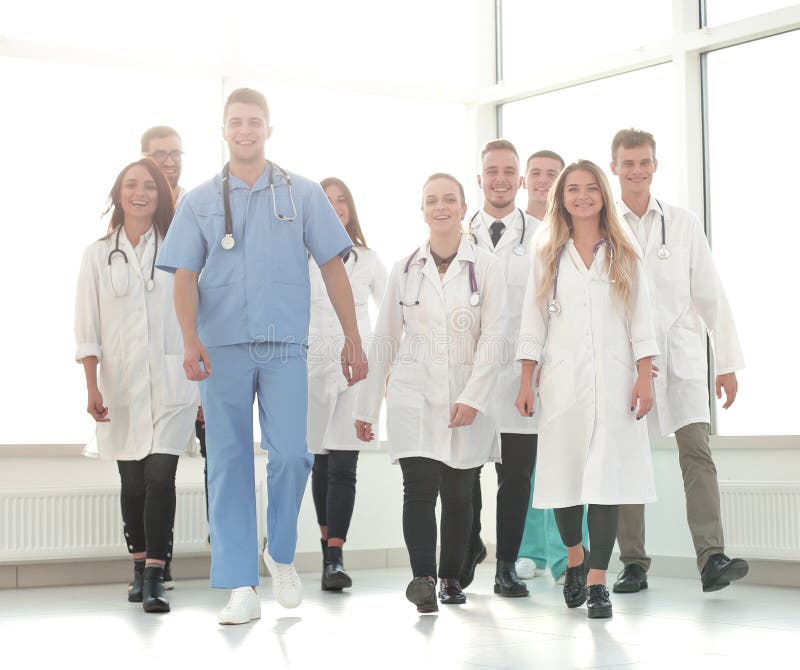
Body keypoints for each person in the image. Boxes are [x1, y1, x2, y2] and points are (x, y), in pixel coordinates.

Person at [156, 88, 367, 625]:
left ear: (269, 129)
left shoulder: (303, 193)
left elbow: (334, 267)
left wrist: (353, 337)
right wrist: (189, 338)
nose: (245, 130)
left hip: (282, 343)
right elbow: (184, 274)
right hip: (221, 344)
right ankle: (240, 586)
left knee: (293, 455)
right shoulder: (200, 199)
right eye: (235, 122)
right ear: (223, 130)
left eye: (254, 122)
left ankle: (280, 552)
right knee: (225, 464)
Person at [354, 173, 506, 613]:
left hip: (465, 394)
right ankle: (422, 578)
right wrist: (367, 407)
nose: (440, 207)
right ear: (422, 210)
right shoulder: (404, 268)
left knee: (459, 494)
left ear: (463, 208)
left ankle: (451, 577)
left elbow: (495, 338)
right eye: (431, 200)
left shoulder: (486, 267)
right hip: (412, 395)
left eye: (449, 200)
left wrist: (474, 398)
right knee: (418, 490)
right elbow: (383, 340)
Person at [515, 159, 658, 619]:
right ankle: (574, 556)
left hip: (615, 381)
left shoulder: (623, 248)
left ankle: (597, 581)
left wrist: (644, 373)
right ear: (561, 197)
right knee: (564, 479)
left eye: (591, 188)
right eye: (572, 189)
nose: (582, 196)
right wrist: (526, 377)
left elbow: (641, 315)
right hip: (563, 381)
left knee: (606, 482)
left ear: (603, 195)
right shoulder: (547, 251)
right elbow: (532, 318)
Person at [609, 128, 747, 595]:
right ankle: (633, 563)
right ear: (615, 168)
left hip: (682, 357)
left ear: (654, 165)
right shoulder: (604, 227)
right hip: (627, 362)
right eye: (628, 163)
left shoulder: (683, 223)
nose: (636, 170)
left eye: (644, 162)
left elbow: (710, 293)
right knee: (630, 461)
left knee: (697, 454)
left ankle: (712, 558)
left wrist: (725, 362)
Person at [74, 158, 199, 614]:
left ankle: (155, 577)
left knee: (161, 476)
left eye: (150, 186)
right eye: (132, 185)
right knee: (132, 483)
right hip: (121, 385)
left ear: (163, 195)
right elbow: (86, 326)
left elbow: (198, 316)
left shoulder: (182, 248)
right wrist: (91, 385)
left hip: (172, 381)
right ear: (119, 193)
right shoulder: (97, 252)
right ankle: (139, 563)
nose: (140, 192)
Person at [462, 139, 539, 598]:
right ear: (480, 178)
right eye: (492, 171)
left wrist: (538, 368)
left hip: (519, 374)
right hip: (472, 374)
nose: (500, 179)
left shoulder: (544, 233)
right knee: (465, 470)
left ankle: (505, 565)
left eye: (509, 171)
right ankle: (469, 546)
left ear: (521, 180)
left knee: (515, 476)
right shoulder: (461, 231)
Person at [308, 177, 387, 591]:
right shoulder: (297, 255)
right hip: (309, 369)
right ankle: (326, 552)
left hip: (357, 368)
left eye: (341, 200)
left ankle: (336, 556)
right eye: (326, 200)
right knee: (319, 464)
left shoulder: (368, 259)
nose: (335, 206)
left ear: (351, 208)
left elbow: (392, 312)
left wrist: (388, 373)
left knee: (344, 464)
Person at [515, 148, 588, 585]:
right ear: (525, 180)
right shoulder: (521, 233)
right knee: (525, 464)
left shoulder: (577, 231)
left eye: (552, 175)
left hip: (567, 365)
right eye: (537, 174)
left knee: (561, 462)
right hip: (525, 358)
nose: (544, 181)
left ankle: (565, 557)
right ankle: (531, 552)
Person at [141, 124, 191, 590]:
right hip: (152, 368)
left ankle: (229, 556)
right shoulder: (138, 213)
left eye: (175, 153)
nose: (169, 160)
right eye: (159, 154)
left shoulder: (195, 210)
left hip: (193, 361)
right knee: (155, 471)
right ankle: (160, 559)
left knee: (218, 464)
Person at [141, 126, 186, 202]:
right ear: (144, 159)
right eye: (160, 155)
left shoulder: (195, 206)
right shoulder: (134, 204)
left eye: (175, 154)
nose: (169, 163)